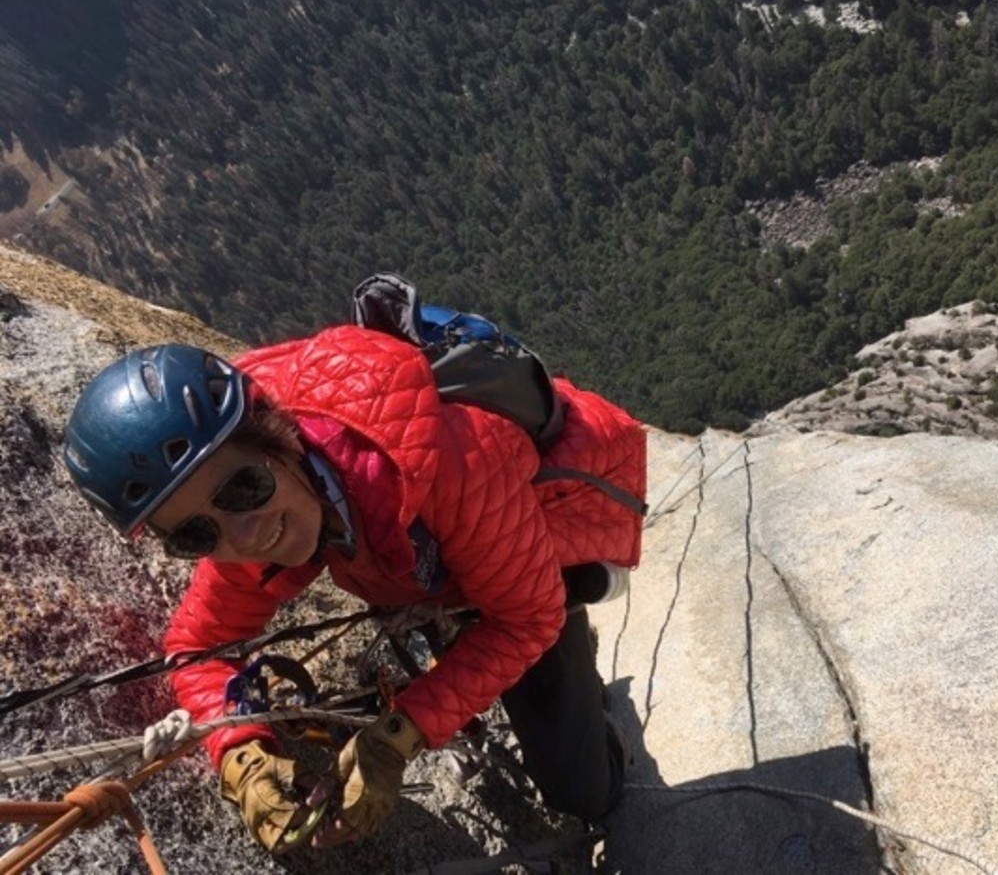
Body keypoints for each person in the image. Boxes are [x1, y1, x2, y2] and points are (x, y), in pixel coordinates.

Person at [63, 323, 646, 853]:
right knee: (451, 605)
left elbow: (525, 619)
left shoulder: (451, 459)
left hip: (537, 534)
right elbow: (197, 648)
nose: (245, 534)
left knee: (585, 794)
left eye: (243, 489)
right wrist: (240, 754)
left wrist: (398, 735)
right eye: (195, 534)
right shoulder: (261, 504)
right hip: (436, 554)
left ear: (280, 440)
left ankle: (595, 698)